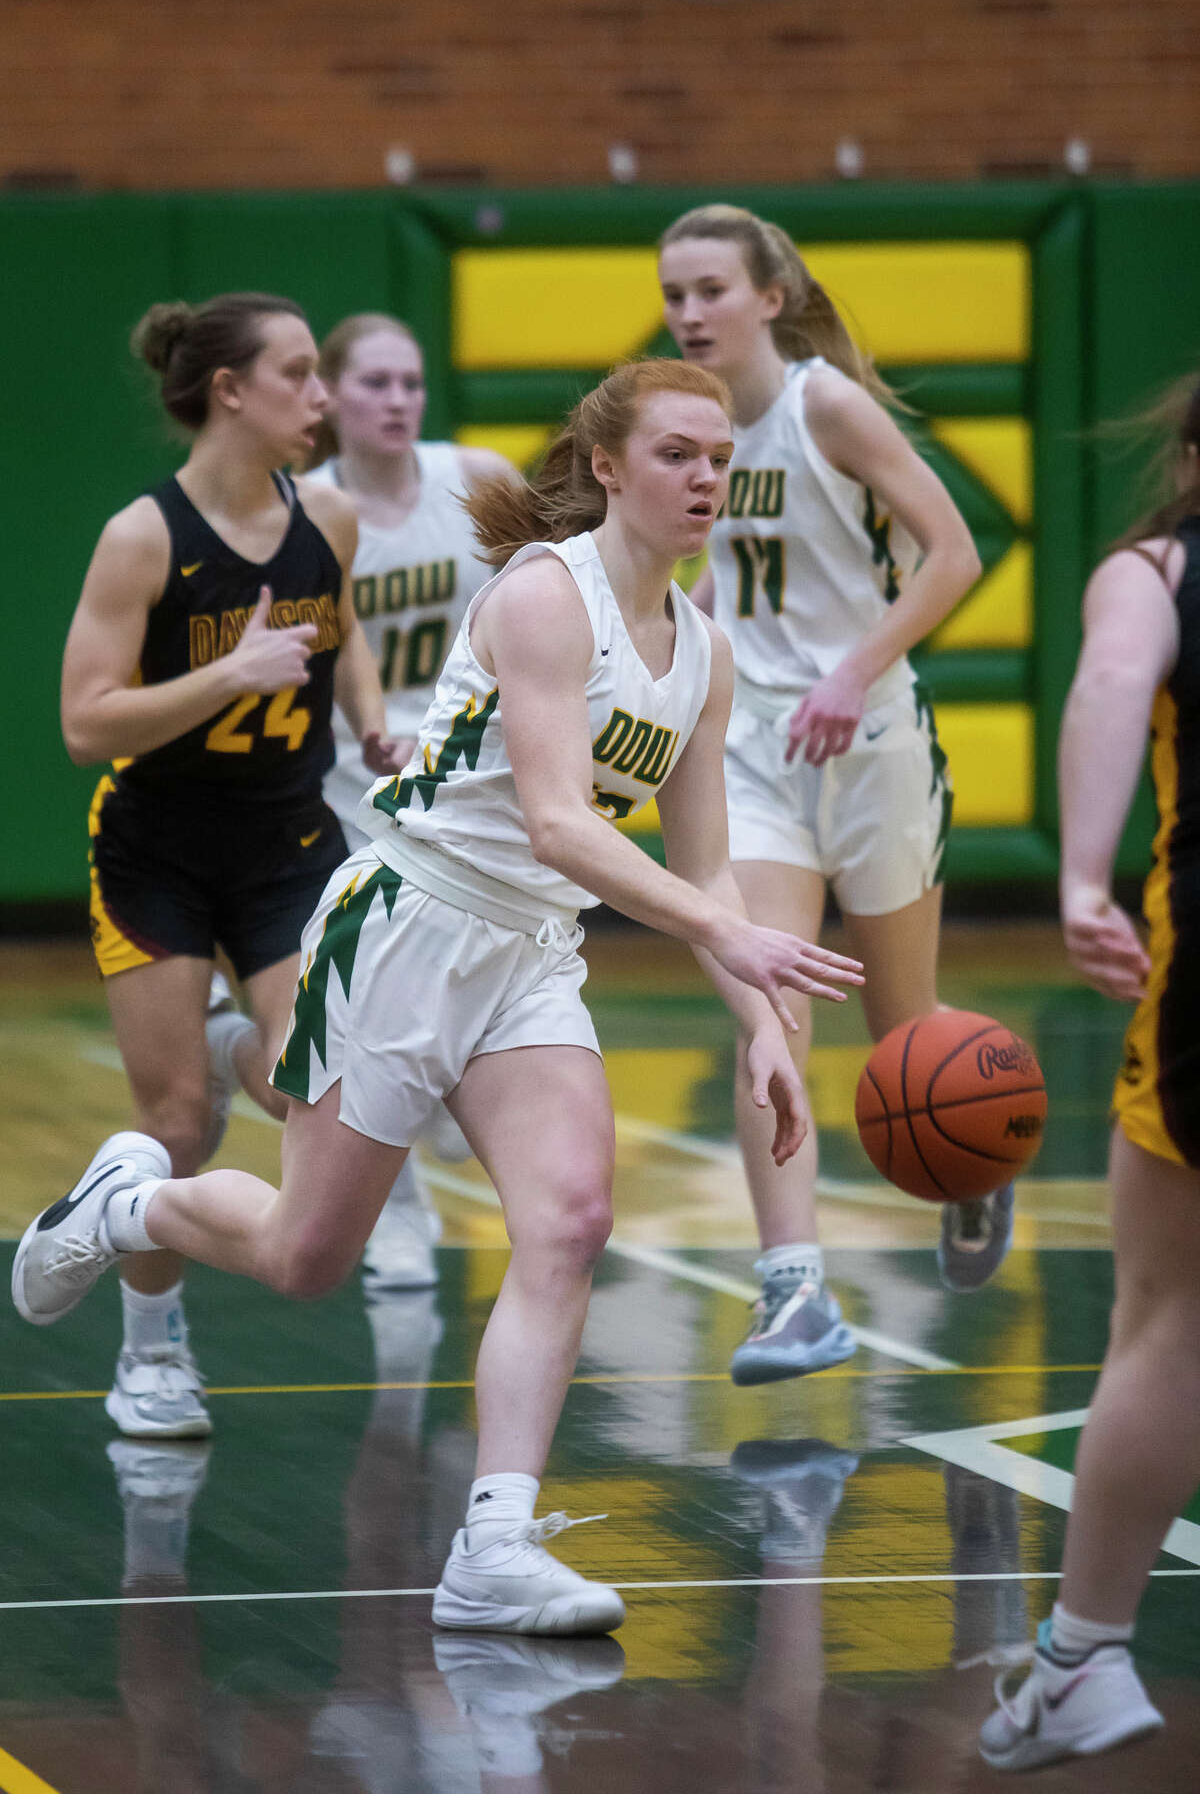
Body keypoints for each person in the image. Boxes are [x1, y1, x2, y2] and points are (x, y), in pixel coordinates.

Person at [15, 357, 864, 1636]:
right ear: (607, 468)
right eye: (678, 455)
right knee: (307, 1259)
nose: (707, 479)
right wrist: (724, 937)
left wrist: (764, 1028)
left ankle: (494, 1546)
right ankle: (126, 1205)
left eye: (721, 458)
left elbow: (705, 869)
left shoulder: (707, 652)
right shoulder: (545, 595)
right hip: (409, 928)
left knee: (570, 1222)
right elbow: (560, 821)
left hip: (529, 953)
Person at [657, 204, 995, 1390]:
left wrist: (852, 671)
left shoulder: (826, 409)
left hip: (874, 741)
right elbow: (721, 580)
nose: (688, 312)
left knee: (904, 1036)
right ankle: (793, 1288)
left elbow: (957, 554)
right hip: (755, 748)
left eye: (709, 289)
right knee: (770, 1011)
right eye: (674, 294)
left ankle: (971, 1166)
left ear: (770, 297)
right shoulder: (698, 428)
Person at [60, 292, 404, 1442]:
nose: (323, 396)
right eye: (299, 373)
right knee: (176, 1125)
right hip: (156, 848)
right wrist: (226, 676)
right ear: (230, 391)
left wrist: (369, 720)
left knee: (309, 1092)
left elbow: (341, 628)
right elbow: (85, 723)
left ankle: (229, 1042)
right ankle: (152, 1351)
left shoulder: (330, 516)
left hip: (287, 845)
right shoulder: (143, 536)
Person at [977, 376, 1200, 1769]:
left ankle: (1081, 1658)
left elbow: (1115, 680)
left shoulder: (1157, 570)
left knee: (1170, 1317)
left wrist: (1077, 879)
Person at [305, 312, 516, 1289]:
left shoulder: (476, 479)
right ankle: (397, 1210)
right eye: (376, 383)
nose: (398, 401)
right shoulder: (308, 507)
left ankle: (453, 1091)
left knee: (466, 975)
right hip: (346, 781)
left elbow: (565, 586)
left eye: (411, 382)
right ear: (330, 396)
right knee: (362, 1001)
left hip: (469, 774)